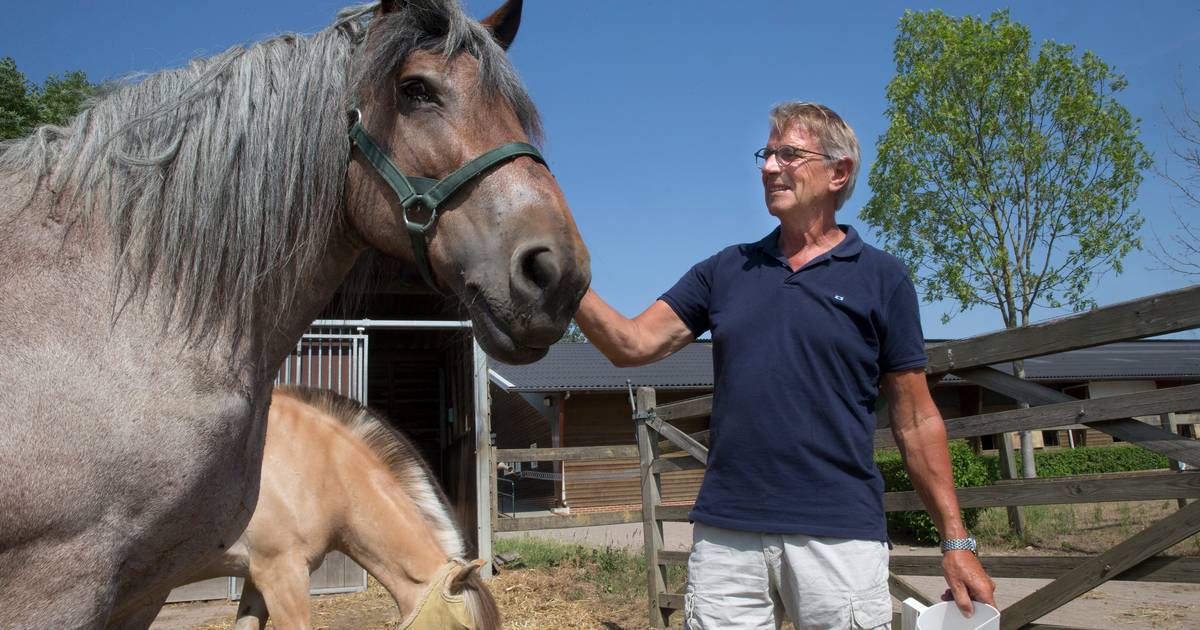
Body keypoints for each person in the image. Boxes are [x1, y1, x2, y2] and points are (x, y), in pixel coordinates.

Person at [574, 101, 995, 629]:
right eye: (767, 154)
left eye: (789, 154)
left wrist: (956, 540)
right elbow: (632, 344)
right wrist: (567, 282)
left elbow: (915, 420)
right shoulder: (725, 270)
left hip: (839, 534)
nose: (769, 167)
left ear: (838, 172)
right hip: (727, 534)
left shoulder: (883, 278)